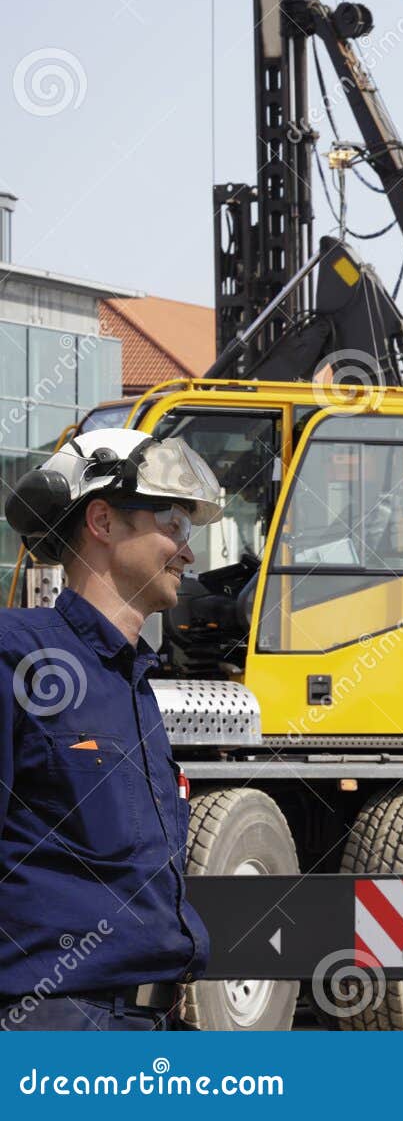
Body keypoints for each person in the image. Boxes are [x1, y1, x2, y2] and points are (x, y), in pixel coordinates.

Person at [0, 428, 224, 1030]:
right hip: (54, 1028)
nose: (188, 551)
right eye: (172, 525)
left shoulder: (133, 685)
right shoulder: (18, 657)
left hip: (150, 1023)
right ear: (102, 520)